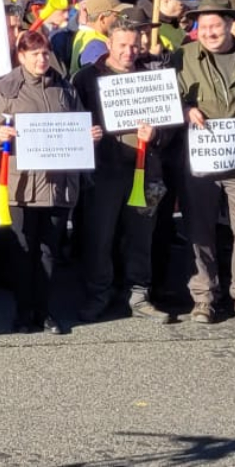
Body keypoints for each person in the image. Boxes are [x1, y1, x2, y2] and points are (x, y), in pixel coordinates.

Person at [0, 28, 88, 335]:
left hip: (58, 184)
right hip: (21, 186)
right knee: (23, 251)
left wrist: (88, 135)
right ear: (22, 56)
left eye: (45, 53)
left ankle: (45, 311)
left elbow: (79, 122)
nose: (42, 59)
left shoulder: (65, 87)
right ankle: (23, 311)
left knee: (48, 250)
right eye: (35, 54)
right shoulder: (8, 87)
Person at [72, 18, 173, 323]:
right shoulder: (86, 79)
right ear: (109, 45)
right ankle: (99, 294)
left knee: (141, 235)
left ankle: (139, 294)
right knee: (100, 237)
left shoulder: (152, 78)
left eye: (134, 45)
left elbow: (171, 124)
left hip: (145, 169)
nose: (129, 52)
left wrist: (156, 135)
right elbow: (70, 122)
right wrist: (84, 135)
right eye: (123, 45)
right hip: (104, 171)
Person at [174, 0, 235, 325]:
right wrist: (185, 109)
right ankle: (204, 296)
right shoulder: (182, 57)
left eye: (216, 26)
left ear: (231, 25)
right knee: (199, 227)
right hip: (203, 159)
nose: (210, 32)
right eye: (204, 26)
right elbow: (166, 98)